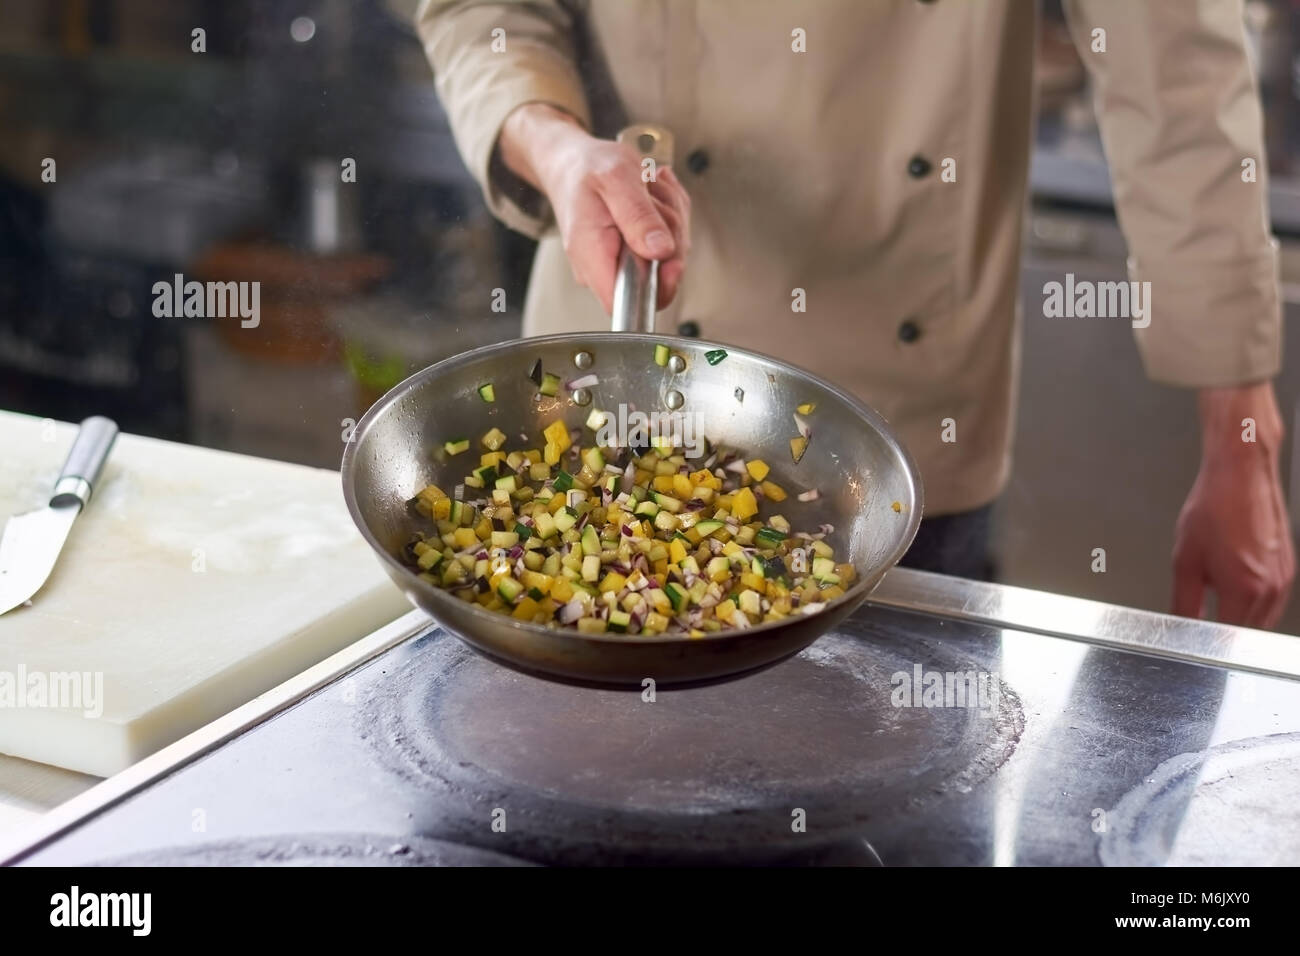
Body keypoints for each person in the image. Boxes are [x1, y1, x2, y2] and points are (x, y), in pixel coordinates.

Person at [415, 0, 1295, 627]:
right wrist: (557, 148)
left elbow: (1177, 87)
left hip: (892, 448)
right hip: (610, 369)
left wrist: (1242, 440)